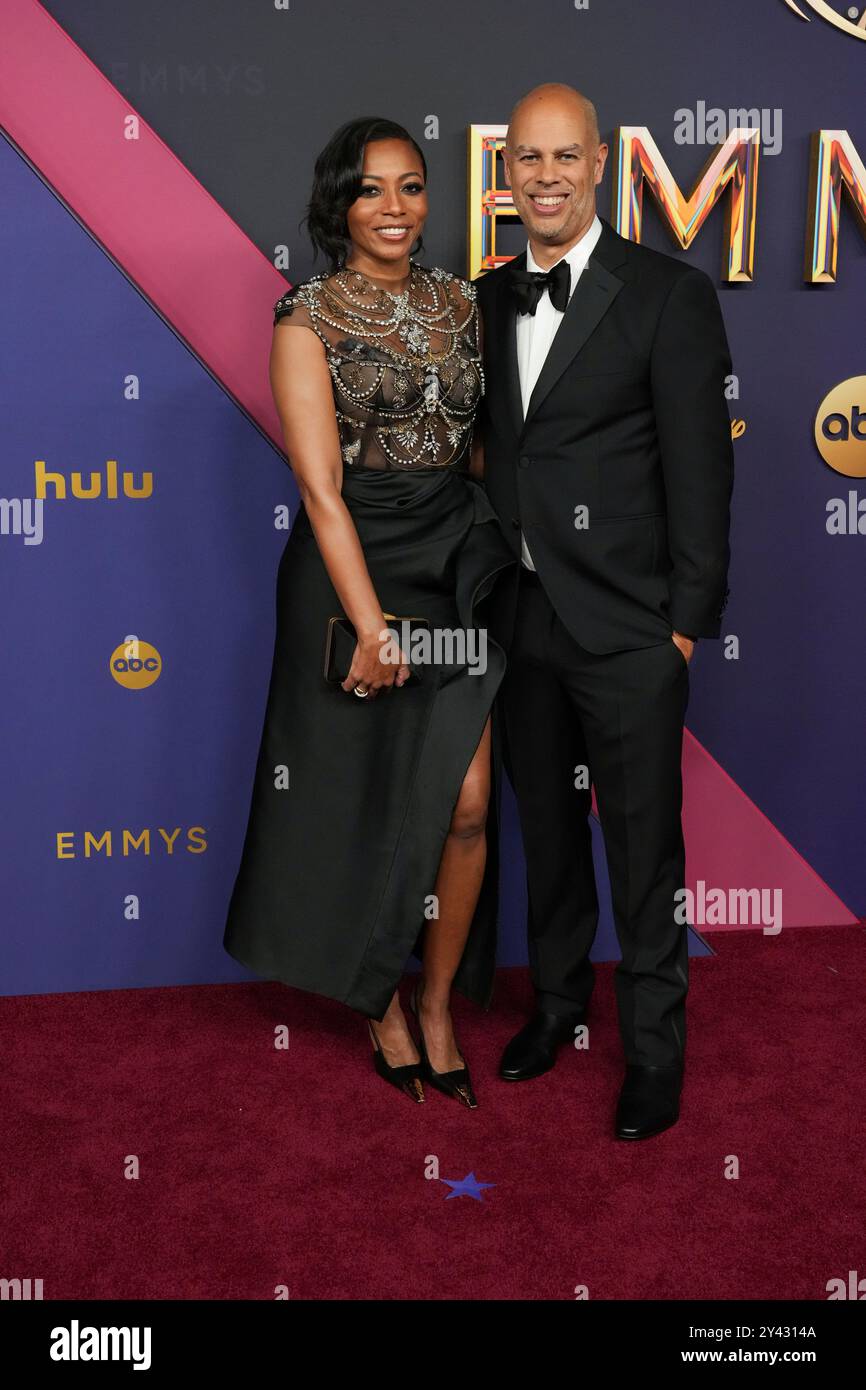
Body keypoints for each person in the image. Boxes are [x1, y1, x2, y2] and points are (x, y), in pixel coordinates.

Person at [224, 117, 515, 1108]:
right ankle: (377, 1006)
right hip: (354, 574)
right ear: (337, 203)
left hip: (448, 564)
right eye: (370, 190)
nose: (393, 208)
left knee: (465, 800)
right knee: (357, 797)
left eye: (411, 186)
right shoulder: (304, 317)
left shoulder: (462, 303)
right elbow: (321, 491)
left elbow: (478, 446)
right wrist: (372, 627)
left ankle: (435, 1001)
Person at [476, 84, 734, 1139]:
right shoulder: (489, 298)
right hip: (522, 618)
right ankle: (553, 1010)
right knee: (543, 831)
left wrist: (679, 623)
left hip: (629, 629)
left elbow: (701, 475)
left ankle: (654, 1055)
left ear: (598, 167)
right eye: (526, 159)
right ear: (509, 175)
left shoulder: (664, 294)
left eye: (563, 157)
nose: (544, 176)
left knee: (642, 851)